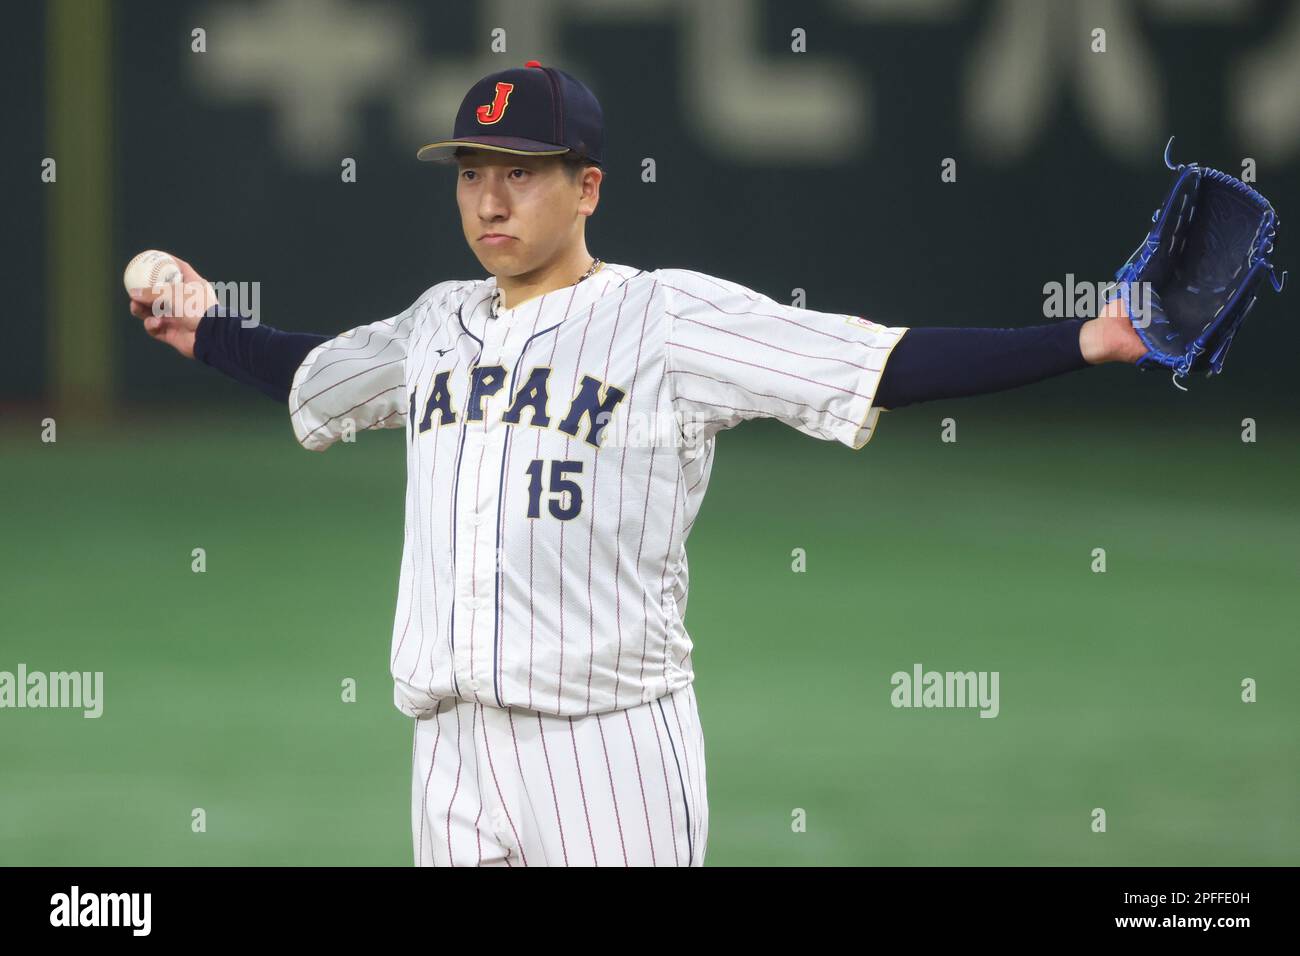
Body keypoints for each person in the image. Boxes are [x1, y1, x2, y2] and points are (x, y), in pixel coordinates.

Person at [127, 62, 1146, 867]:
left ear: (588, 187)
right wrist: (205, 328)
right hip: (447, 743)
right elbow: (316, 375)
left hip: (605, 746)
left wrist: (1077, 341)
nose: (489, 199)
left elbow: (870, 360)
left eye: (519, 172)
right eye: (472, 172)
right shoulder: (434, 323)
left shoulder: (664, 317)